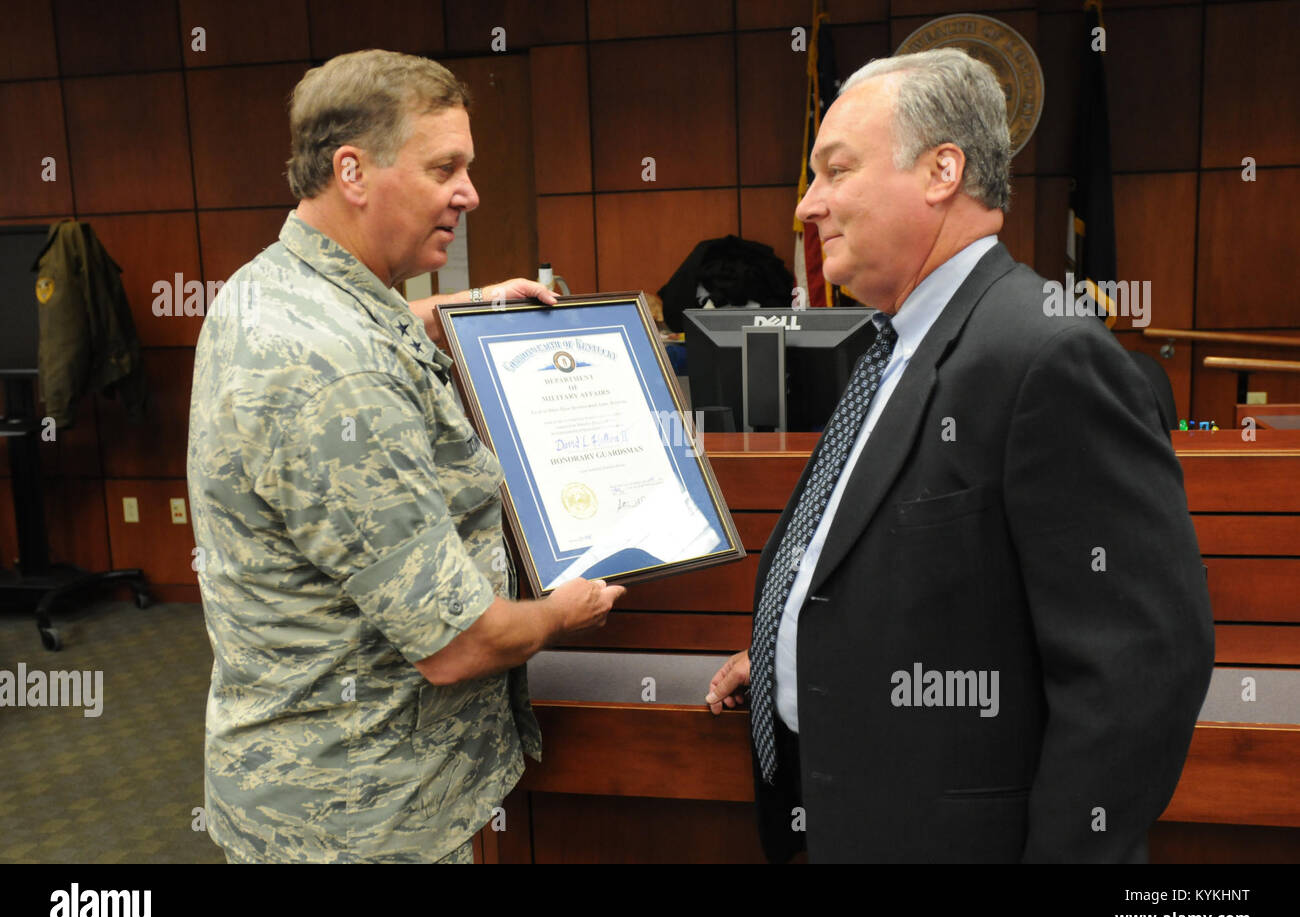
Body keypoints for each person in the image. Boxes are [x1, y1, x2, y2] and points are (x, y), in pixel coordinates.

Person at [705, 49, 1214, 863]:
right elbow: (920, 577)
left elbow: (1139, 670)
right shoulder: (892, 344)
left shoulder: (1047, 355)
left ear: (943, 169)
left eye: (836, 170)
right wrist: (789, 648)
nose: (809, 204)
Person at [187, 49, 623, 864]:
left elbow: (370, 328)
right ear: (352, 170)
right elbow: (458, 643)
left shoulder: (272, 284)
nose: (470, 191)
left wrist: (469, 304)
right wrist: (569, 610)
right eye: (444, 167)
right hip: (361, 816)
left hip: (304, 774)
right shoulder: (336, 376)